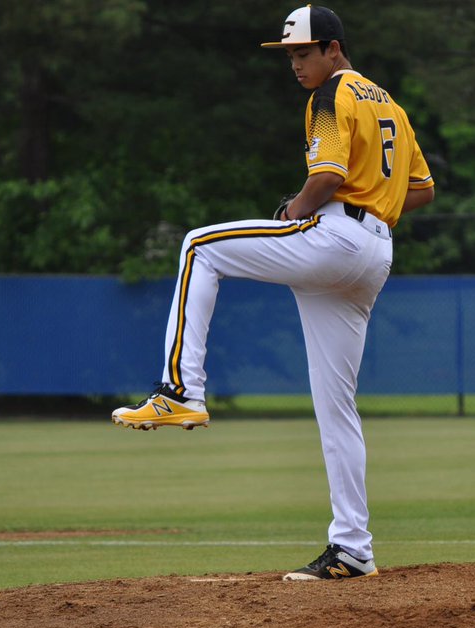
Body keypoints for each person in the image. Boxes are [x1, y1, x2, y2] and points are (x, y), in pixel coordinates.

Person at [113, 5, 435, 581]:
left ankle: (180, 390)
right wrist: (374, 213)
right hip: (375, 251)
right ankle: (353, 548)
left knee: (198, 246)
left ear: (334, 49)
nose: (296, 64)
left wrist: (296, 210)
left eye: (304, 52)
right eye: (290, 55)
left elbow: (328, 176)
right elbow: (422, 190)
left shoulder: (331, 95)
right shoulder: (390, 103)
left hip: (336, 237)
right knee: (337, 409)